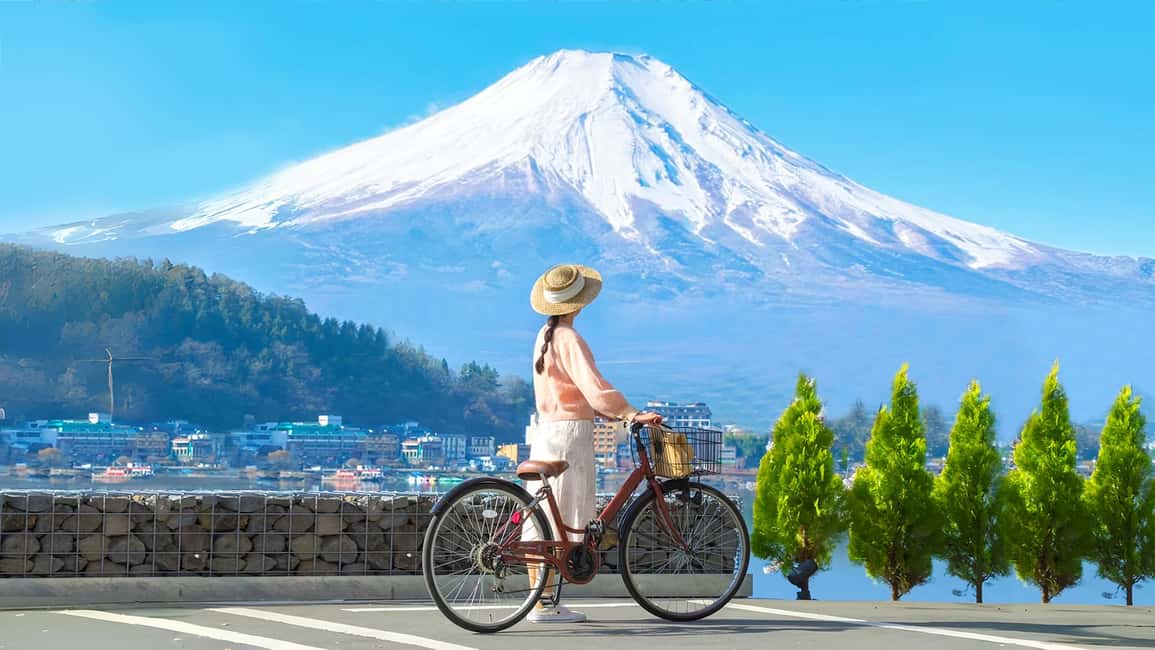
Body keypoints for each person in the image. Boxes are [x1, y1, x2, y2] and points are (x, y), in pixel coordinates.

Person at [522, 263, 663, 624]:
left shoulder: (544, 335)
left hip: (547, 432)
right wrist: (631, 413)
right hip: (570, 437)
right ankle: (544, 607)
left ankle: (538, 601)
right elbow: (595, 390)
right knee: (566, 520)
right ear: (579, 304)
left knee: (542, 521)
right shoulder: (570, 339)